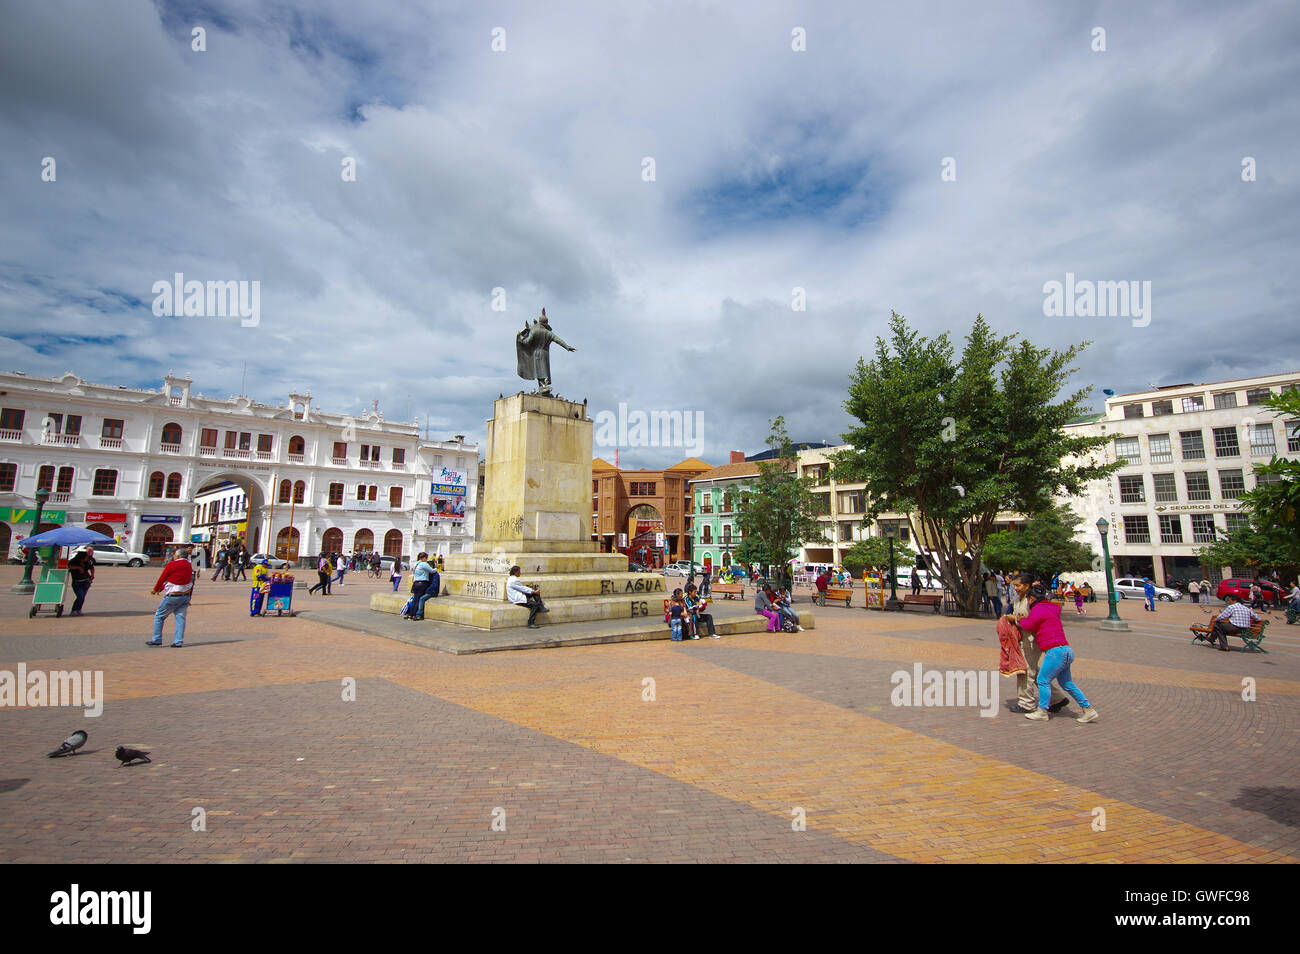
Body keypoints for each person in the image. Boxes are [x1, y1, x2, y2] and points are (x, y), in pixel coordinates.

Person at [1015, 581, 1099, 723]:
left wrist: (1018, 619)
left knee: (1042, 680)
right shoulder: (1051, 608)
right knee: (1067, 684)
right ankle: (1088, 709)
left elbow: (1028, 625)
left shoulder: (1038, 609)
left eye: (1028, 600)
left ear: (1031, 599)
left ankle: (1042, 711)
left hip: (1054, 651)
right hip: (1065, 650)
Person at [1004, 573, 1069, 714]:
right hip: (1022, 639)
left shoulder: (1032, 601)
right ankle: (1057, 698)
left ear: (1027, 586)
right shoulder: (1018, 599)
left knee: (1026, 671)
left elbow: (1032, 621)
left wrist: (1015, 619)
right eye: (1014, 585)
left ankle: (1026, 703)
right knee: (1033, 671)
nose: (1015, 588)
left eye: (1018, 585)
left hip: (1031, 640)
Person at [148, 545, 195, 648]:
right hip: (185, 596)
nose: (174, 556)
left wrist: (155, 589)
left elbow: (163, 578)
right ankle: (178, 641)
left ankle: (157, 639)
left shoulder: (172, 564)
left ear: (177, 556)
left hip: (173, 596)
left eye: (175, 555)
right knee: (180, 619)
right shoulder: (189, 565)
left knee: (159, 616)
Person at [67, 545, 96, 616]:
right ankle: (74, 610)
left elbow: (92, 568)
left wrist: (92, 575)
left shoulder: (88, 561)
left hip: (86, 581)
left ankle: (78, 609)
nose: (87, 559)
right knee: (80, 596)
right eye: (85, 558)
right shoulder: (74, 561)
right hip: (77, 582)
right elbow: (69, 566)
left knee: (82, 597)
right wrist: (78, 568)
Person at [405, 552, 434, 620]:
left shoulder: (416, 564)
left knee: (415, 599)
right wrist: (435, 570)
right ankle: (415, 614)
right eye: (426, 558)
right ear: (423, 558)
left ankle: (411, 614)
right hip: (422, 583)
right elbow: (431, 571)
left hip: (415, 583)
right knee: (418, 599)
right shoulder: (423, 564)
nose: (426, 559)